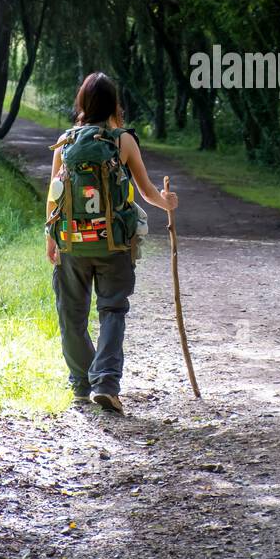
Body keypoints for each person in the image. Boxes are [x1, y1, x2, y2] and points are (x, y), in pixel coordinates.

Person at [46, 71, 178, 414]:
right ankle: (105, 382)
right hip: (114, 243)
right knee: (113, 310)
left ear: (82, 103)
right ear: (113, 104)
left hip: (72, 242)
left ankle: (81, 383)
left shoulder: (65, 141)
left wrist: (50, 237)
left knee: (71, 314)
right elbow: (147, 192)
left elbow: (53, 196)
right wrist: (167, 202)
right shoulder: (123, 141)